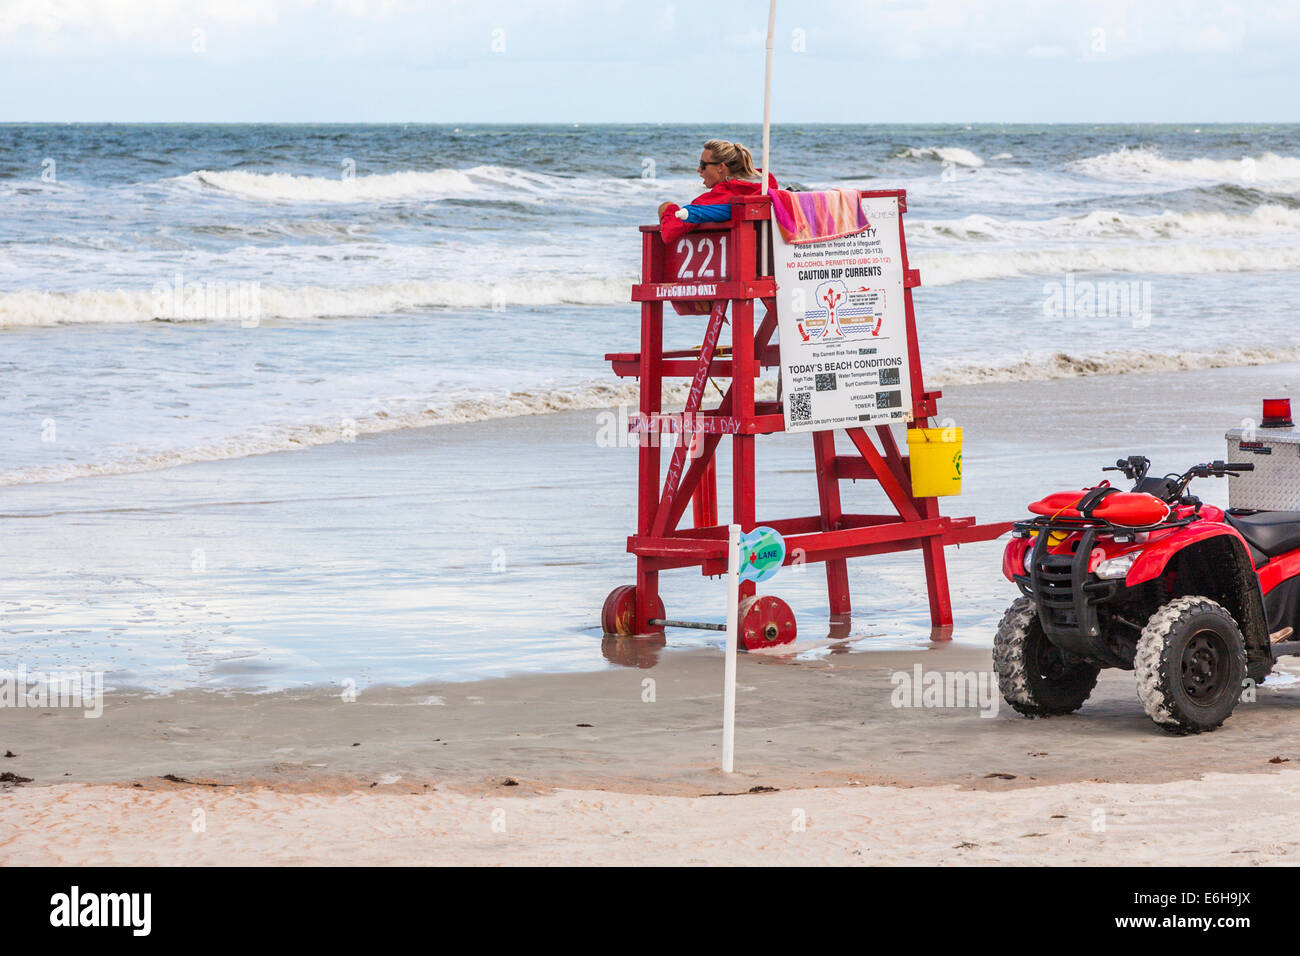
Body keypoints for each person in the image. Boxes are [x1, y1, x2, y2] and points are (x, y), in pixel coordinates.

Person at [657, 140, 777, 244]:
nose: (699, 170)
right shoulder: (764, 188)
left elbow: (669, 233)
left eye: (703, 165)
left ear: (721, 167)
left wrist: (667, 209)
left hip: (730, 262)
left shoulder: (715, 200)